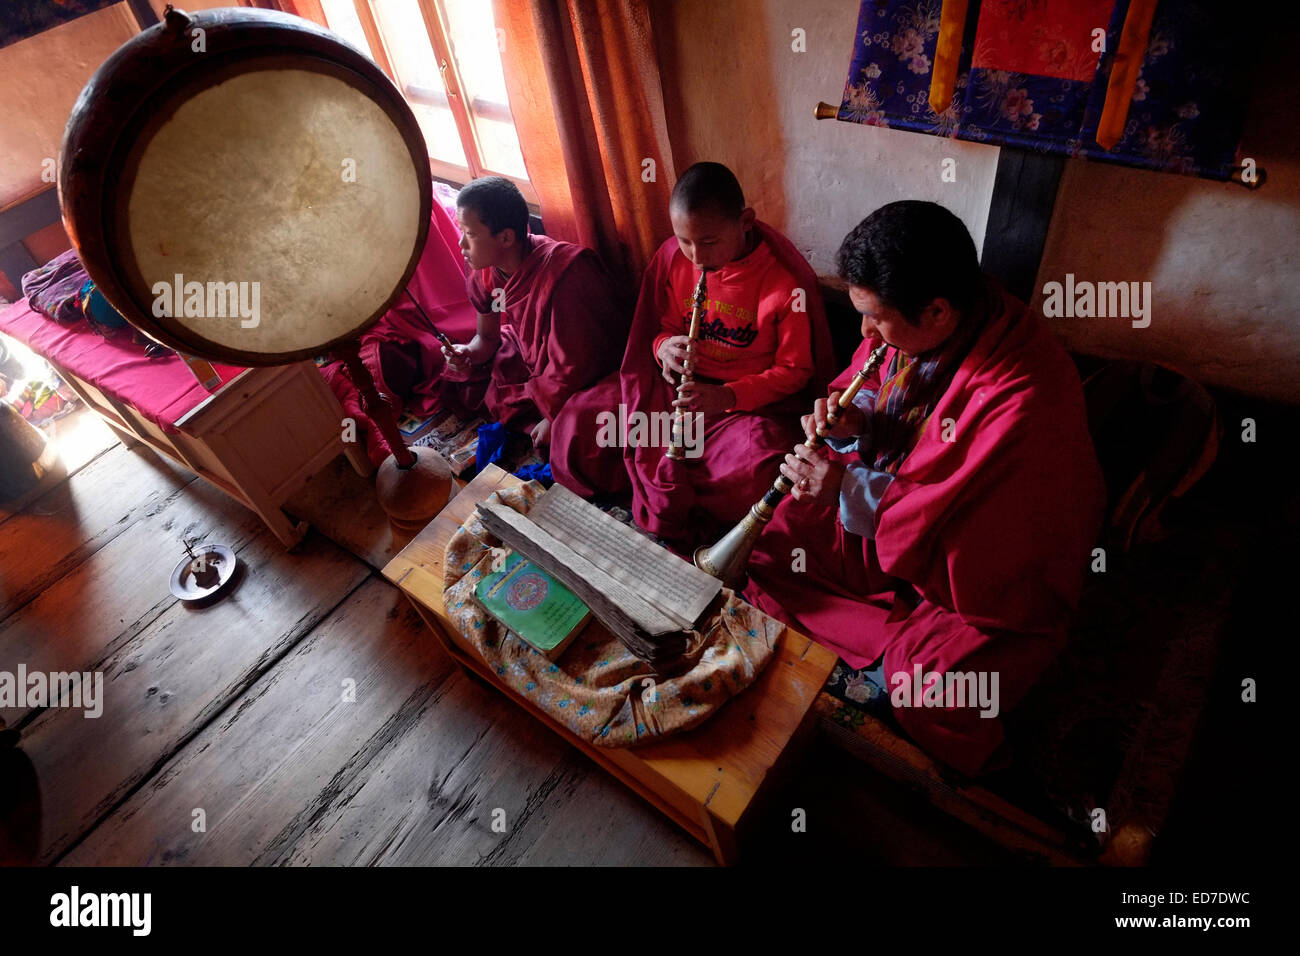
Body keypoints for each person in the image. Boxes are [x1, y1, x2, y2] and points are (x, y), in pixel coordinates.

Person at [742, 200, 1106, 776]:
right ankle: (885, 624)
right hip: (893, 513)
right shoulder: (924, 320)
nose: (863, 332)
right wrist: (854, 420)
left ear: (937, 311)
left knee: (927, 690)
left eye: (873, 317)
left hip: (981, 578)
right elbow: (879, 396)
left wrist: (843, 483)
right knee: (773, 546)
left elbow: (974, 530)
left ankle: (897, 641)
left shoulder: (1019, 398)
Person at [552, 162, 833, 546]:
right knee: (579, 422)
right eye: (685, 241)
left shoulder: (783, 283)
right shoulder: (673, 257)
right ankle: (663, 478)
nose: (696, 256)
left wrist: (727, 396)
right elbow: (661, 326)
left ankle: (674, 482)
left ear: (745, 221)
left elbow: (795, 370)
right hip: (674, 392)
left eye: (709, 242)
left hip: (741, 410)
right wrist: (663, 347)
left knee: (760, 471)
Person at [443, 176, 629, 452]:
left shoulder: (567, 273)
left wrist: (552, 416)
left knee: (581, 433)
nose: (461, 244)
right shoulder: (485, 272)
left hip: (587, 371)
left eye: (469, 234)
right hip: (535, 356)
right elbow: (487, 339)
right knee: (469, 382)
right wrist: (467, 354)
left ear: (506, 237)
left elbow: (579, 365)